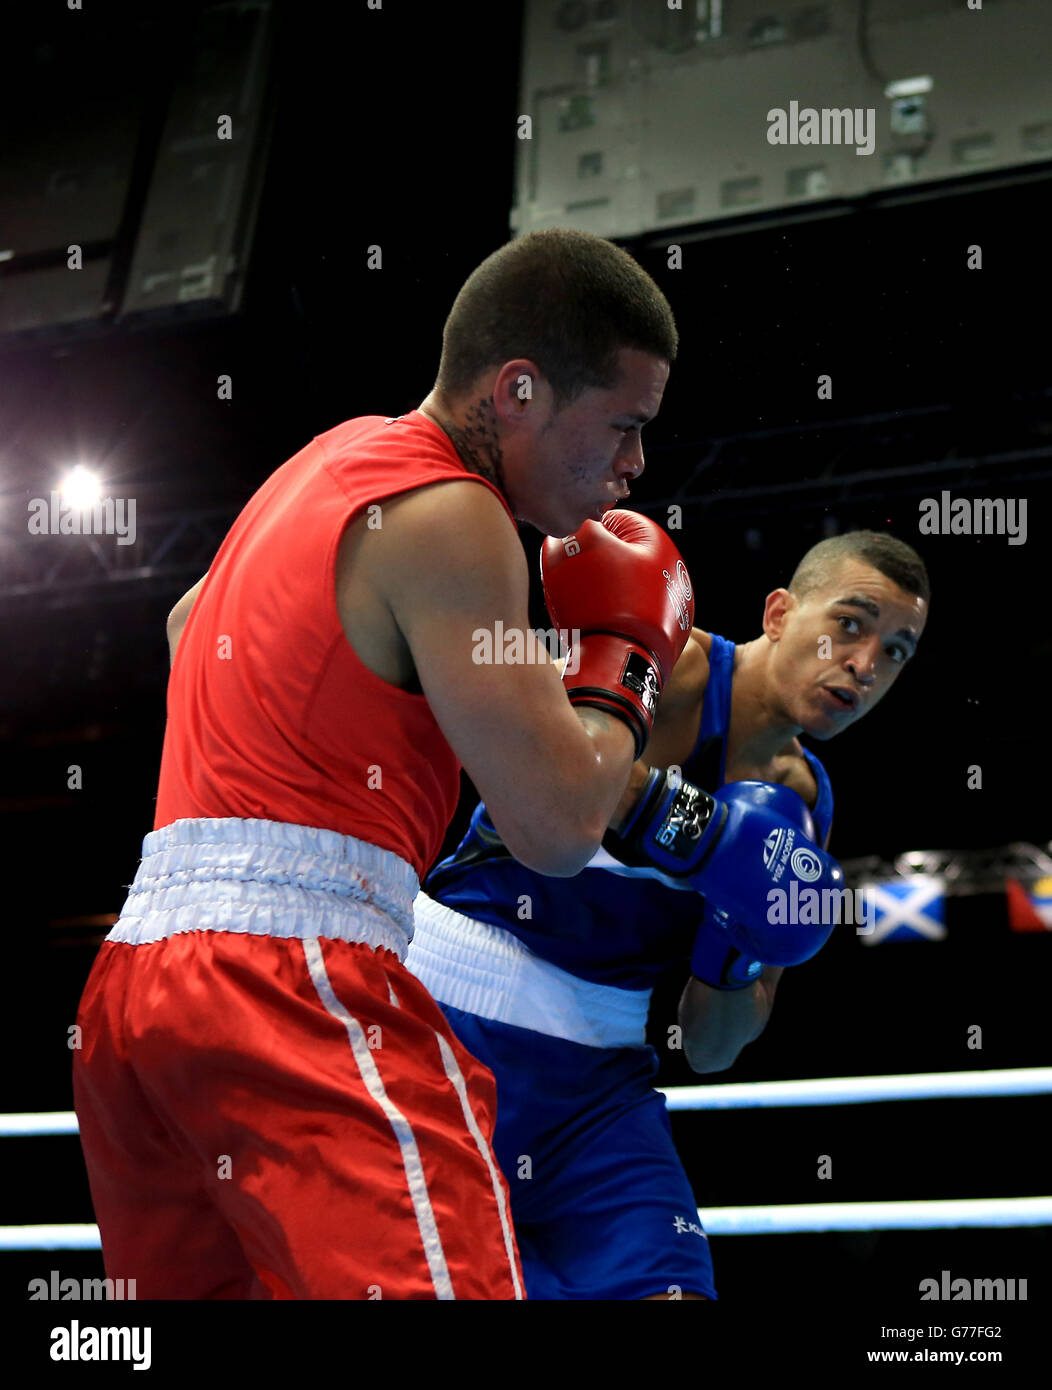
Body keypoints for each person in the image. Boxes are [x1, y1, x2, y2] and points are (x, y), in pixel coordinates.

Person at [71, 228, 696, 1300]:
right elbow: (554, 830)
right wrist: (620, 664)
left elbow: (189, 624)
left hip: (137, 990)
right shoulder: (456, 514)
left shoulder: (328, 460)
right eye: (623, 425)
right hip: (292, 978)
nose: (635, 466)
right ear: (519, 390)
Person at [409, 529, 931, 1300]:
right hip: (450, 1021)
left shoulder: (806, 808)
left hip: (600, 1083)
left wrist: (736, 945)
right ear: (780, 612)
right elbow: (515, 749)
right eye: (850, 624)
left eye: (896, 652)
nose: (863, 665)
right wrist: (697, 830)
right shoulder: (669, 665)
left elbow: (716, 1049)